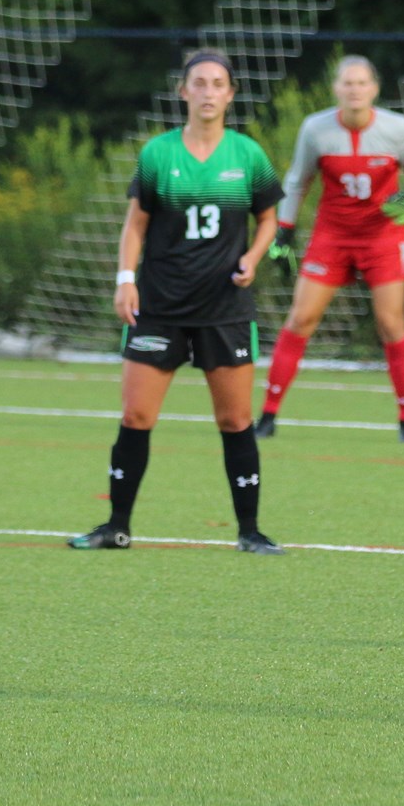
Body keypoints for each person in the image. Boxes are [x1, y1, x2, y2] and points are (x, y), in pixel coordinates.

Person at [70, 48, 285, 555]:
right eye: (199, 83)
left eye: (218, 84)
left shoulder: (247, 155)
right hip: (160, 307)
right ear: (183, 91)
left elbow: (269, 220)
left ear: (230, 94)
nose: (208, 92)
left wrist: (253, 257)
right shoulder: (158, 154)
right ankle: (116, 527)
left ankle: (250, 531)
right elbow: (136, 224)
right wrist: (126, 279)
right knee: (136, 416)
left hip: (225, 309)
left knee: (235, 420)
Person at [255, 55, 404, 443]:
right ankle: (267, 415)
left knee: (390, 323)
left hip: (383, 238)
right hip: (331, 237)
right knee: (301, 318)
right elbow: (298, 180)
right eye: (347, 83)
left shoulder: (397, 128)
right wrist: (284, 231)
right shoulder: (315, 129)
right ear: (336, 87)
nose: (355, 90)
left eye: (362, 83)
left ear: (374, 88)